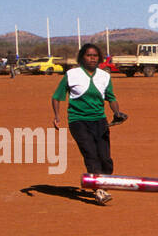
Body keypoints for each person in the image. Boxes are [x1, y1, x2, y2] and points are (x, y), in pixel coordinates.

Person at [51, 43, 126, 179]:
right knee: (90, 153)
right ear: (82, 57)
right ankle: (98, 187)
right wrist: (57, 117)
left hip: (100, 121)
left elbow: (111, 98)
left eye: (95, 56)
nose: (92, 58)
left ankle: (103, 181)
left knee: (105, 158)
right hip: (78, 121)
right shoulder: (72, 74)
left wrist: (117, 113)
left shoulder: (104, 76)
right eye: (89, 55)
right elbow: (56, 97)